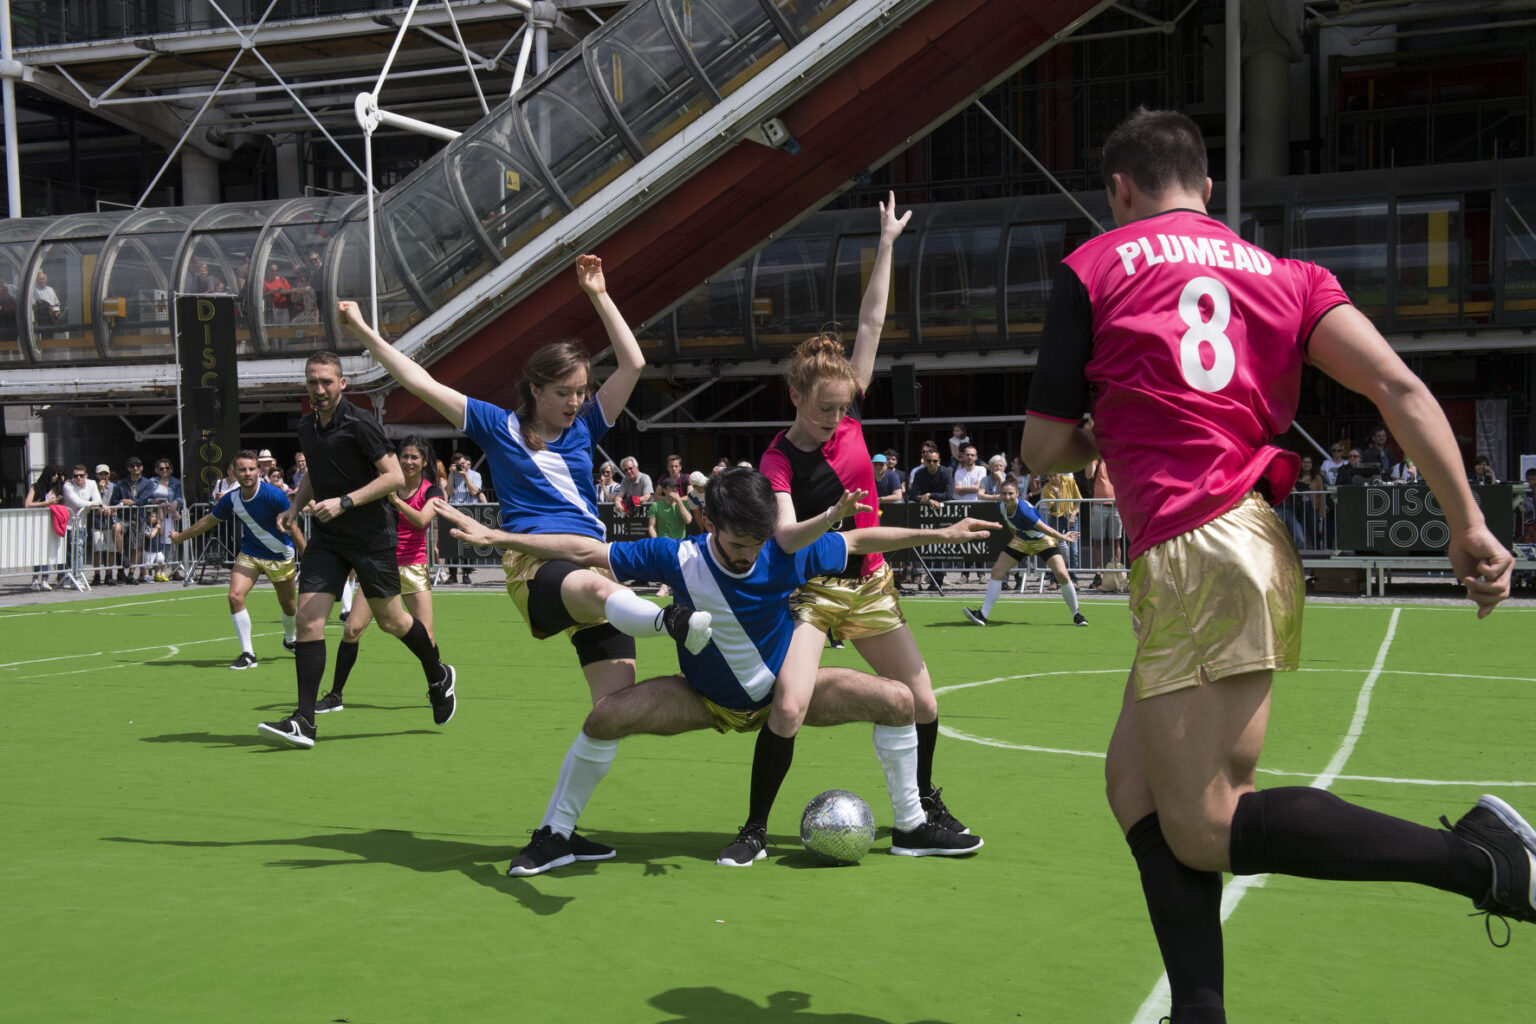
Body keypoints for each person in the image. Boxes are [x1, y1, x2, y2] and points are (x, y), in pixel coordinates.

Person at [1019, 107, 1524, 1024]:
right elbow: (1398, 385)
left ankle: (1485, 862)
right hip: (1247, 532)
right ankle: (1199, 1013)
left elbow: (1043, 448)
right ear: (1208, 188)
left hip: (1193, 546)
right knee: (1134, 785)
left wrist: (1110, 426)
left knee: (1208, 820)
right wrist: (1468, 524)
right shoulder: (1288, 274)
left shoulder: (1093, 267)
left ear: (1120, 191)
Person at [335, 255, 712, 863]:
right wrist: (363, 332)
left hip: (596, 562)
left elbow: (634, 363)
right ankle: (671, 621)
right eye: (564, 392)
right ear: (534, 389)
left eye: (581, 391)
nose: (576, 402)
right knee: (598, 591)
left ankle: (556, 835)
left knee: (612, 714)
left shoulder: (586, 426)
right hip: (536, 567)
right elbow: (419, 382)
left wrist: (599, 294)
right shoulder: (496, 425)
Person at [435, 469, 986, 873]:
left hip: (782, 693)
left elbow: (859, 539)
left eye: (757, 542)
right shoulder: (677, 557)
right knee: (604, 718)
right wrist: (501, 538)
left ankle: (911, 825)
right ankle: (556, 834)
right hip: (701, 698)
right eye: (738, 543)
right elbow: (587, 552)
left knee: (900, 701)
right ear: (710, 523)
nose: (748, 554)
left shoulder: (785, 552)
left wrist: (940, 535)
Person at [758, 193, 976, 839]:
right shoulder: (778, 458)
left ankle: (923, 808)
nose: (835, 417)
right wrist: (834, 515)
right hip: (814, 590)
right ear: (795, 395)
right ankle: (754, 827)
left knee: (923, 701)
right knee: (787, 706)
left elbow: (872, 322)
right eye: (823, 407)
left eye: (842, 406)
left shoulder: (849, 418)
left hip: (871, 583)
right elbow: (786, 537)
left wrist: (885, 245)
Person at [259, 349, 458, 749]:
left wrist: (345, 501)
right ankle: (304, 721)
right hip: (328, 538)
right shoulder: (307, 426)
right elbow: (316, 472)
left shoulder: (360, 423)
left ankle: (438, 674)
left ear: (342, 383)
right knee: (307, 619)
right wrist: (295, 507)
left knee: (392, 621)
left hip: (371, 537)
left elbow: (394, 476)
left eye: (326, 382)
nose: (319, 389)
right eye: (312, 382)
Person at [315, 437, 443, 712]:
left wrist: (395, 500)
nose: (408, 462)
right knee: (352, 629)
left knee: (426, 636)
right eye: (404, 456)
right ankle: (335, 695)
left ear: (424, 462)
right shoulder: (383, 484)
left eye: (414, 457)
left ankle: (438, 687)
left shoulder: (431, 491)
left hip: (414, 567)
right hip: (379, 564)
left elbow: (422, 520)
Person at [171, 450, 299, 669]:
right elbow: (208, 521)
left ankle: (290, 639)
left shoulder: (273, 494)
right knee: (234, 596)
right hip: (250, 554)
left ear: (258, 471)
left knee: (289, 606)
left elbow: (293, 527)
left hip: (279, 555)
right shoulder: (231, 498)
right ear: (234, 473)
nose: (247, 473)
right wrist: (181, 537)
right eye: (242, 470)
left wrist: (309, 556)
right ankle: (248, 653)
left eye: (251, 469)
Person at [963, 477, 1085, 627]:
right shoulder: (1001, 507)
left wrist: (1062, 537)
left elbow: (1045, 528)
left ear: (1017, 493)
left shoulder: (1024, 510)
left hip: (1043, 540)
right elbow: (1010, 524)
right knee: (996, 572)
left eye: (1010, 493)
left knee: (1062, 574)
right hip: (1021, 541)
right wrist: (1016, 538)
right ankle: (982, 615)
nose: (1007, 497)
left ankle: (1077, 615)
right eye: (1004, 494)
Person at [111, 457, 156, 584]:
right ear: (128, 468)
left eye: (137, 465)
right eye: (132, 466)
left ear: (141, 467)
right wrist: (122, 501)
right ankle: (122, 556)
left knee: (136, 546)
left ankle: (131, 574)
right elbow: (114, 500)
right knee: (115, 528)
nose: (135, 468)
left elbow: (145, 498)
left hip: (138, 517)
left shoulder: (148, 483)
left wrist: (133, 503)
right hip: (123, 516)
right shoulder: (122, 483)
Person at [62, 464, 104, 590]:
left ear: (86, 475)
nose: (78, 478)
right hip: (68, 524)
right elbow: (78, 503)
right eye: (75, 476)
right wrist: (93, 504)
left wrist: (94, 504)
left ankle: (77, 577)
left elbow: (98, 500)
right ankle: (69, 577)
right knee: (68, 553)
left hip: (81, 524)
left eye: (81, 475)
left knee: (79, 551)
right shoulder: (68, 486)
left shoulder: (91, 483)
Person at [25, 465, 66, 590]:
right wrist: (46, 503)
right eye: (54, 474)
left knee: (47, 552)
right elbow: (27, 504)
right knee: (38, 551)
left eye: (57, 474)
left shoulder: (57, 487)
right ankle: (35, 579)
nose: (56, 477)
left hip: (52, 522)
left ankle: (45, 579)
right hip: (38, 522)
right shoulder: (35, 487)